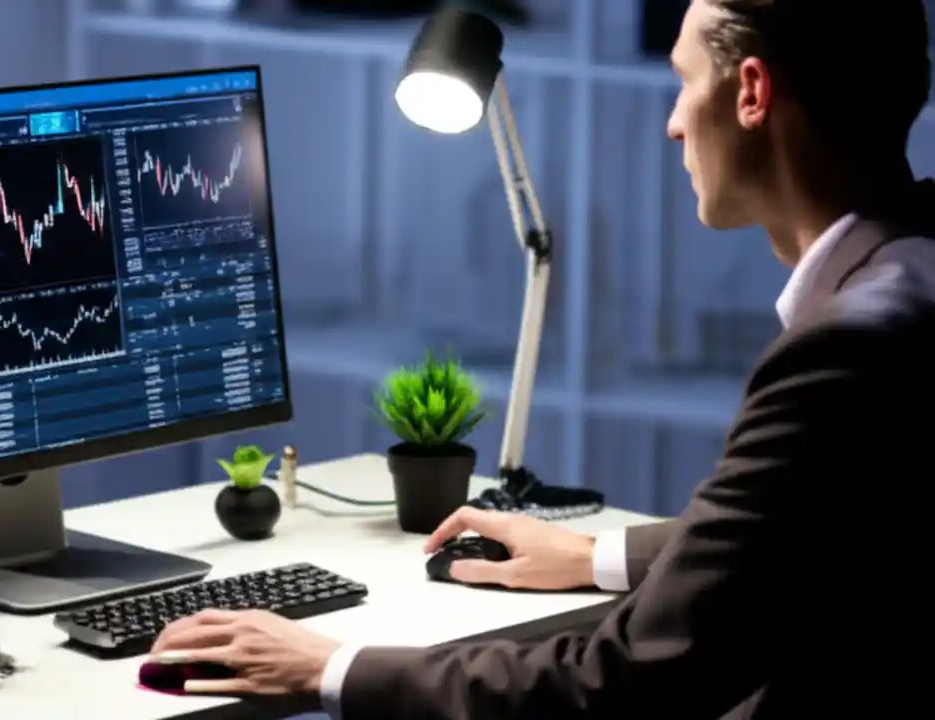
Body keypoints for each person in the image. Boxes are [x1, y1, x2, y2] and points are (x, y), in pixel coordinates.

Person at [151, 1, 935, 717]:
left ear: (752, 94)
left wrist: (330, 668)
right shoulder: (911, 279)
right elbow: (801, 530)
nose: (671, 124)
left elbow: (622, 681)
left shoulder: (844, 349)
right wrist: (597, 556)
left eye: (684, 82)